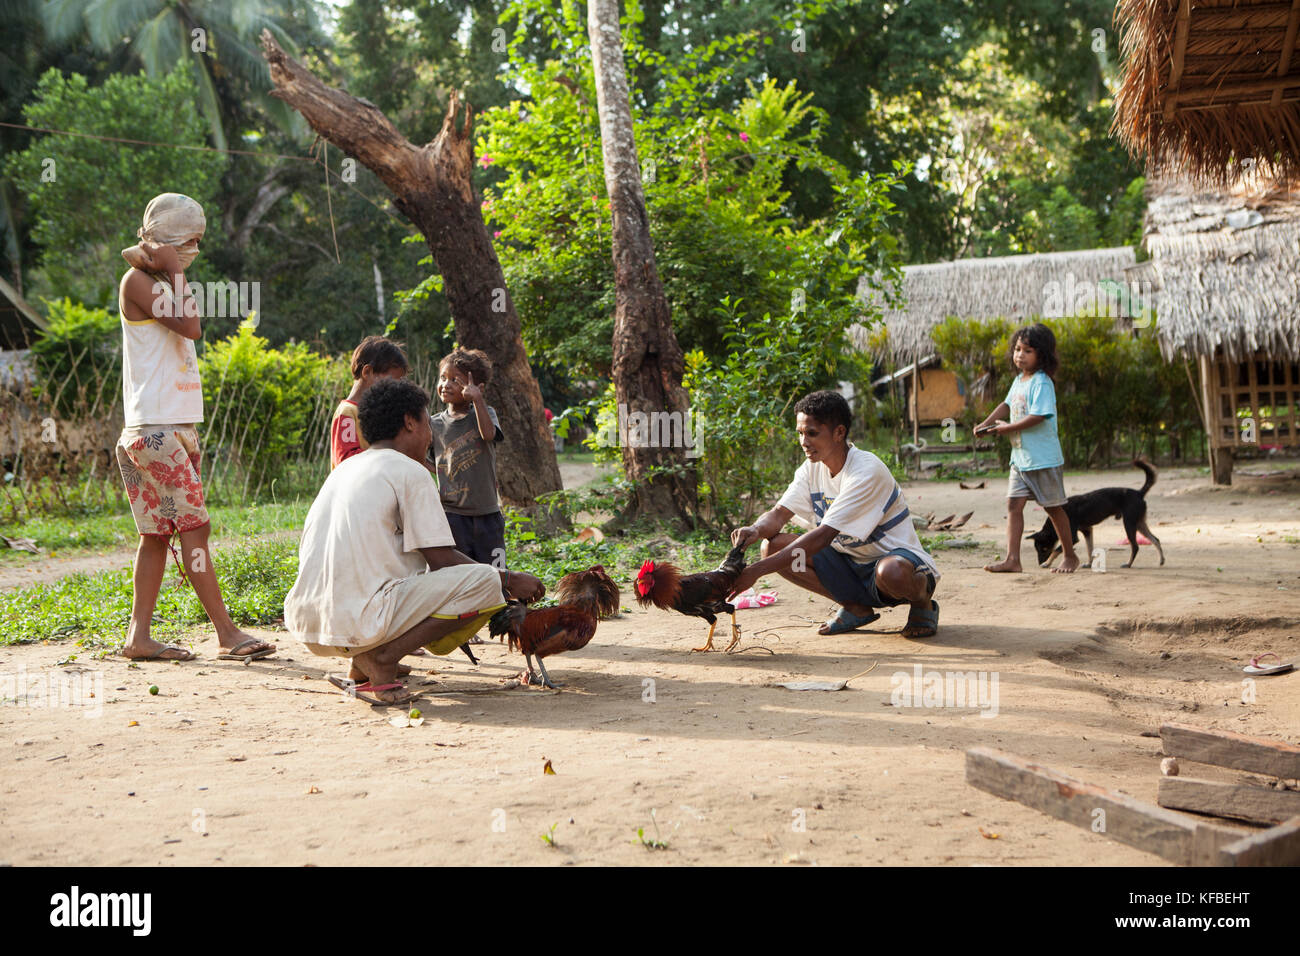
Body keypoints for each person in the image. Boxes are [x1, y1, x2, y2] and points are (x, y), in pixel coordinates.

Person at [285, 379, 543, 705]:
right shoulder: (410, 470)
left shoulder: (345, 469)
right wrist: (509, 579)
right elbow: (442, 561)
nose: (431, 435)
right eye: (426, 422)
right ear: (410, 422)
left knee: (407, 573)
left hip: (308, 621)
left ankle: (361, 663)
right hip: (356, 621)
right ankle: (382, 660)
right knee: (483, 581)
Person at [114, 193, 275, 662]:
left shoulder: (158, 281)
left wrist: (173, 269)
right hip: (157, 431)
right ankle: (227, 634)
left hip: (162, 429)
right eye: (189, 242)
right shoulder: (139, 281)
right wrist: (177, 271)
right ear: (166, 239)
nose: (194, 252)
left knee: (156, 535)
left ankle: (138, 638)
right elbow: (191, 326)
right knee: (194, 529)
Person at [727, 390, 941, 638]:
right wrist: (755, 529)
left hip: (896, 566)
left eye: (812, 433)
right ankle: (856, 607)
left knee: (890, 572)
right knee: (771, 548)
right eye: (800, 433)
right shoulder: (811, 469)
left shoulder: (866, 471)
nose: (804, 441)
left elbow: (823, 537)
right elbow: (778, 514)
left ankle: (922, 604)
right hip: (848, 565)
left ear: (839, 432)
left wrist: (756, 571)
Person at [978, 322, 1079, 574]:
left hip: (1043, 459)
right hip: (1020, 459)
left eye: (1027, 350)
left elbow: (1039, 416)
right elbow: (1006, 405)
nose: (1019, 355)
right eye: (1017, 349)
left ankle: (1070, 555)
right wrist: (986, 423)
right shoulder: (1019, 381)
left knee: (1053, 508)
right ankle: (1013, 559)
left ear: (1041, 355)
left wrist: (1008, 429)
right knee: (1013, 506)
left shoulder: (1042, 383)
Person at [429, 348, 506, 569]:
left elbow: (489, 435)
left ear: (478, 388)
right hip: (452, 515)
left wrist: (478, 401)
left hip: (487, 512)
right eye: (443, 378)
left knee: (494, 570)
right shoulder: (434, 424)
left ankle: (498, 602)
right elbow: (433, 462)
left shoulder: (485, 413)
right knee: (460, 572)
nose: (446, 384)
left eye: (455, 380)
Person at [330, 336, 408, 469]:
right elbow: (345, 460)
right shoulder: (347, 411)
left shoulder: (375, 412)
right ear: (367, 372)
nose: (394, 388)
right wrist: (386, 457)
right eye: (391, 381)